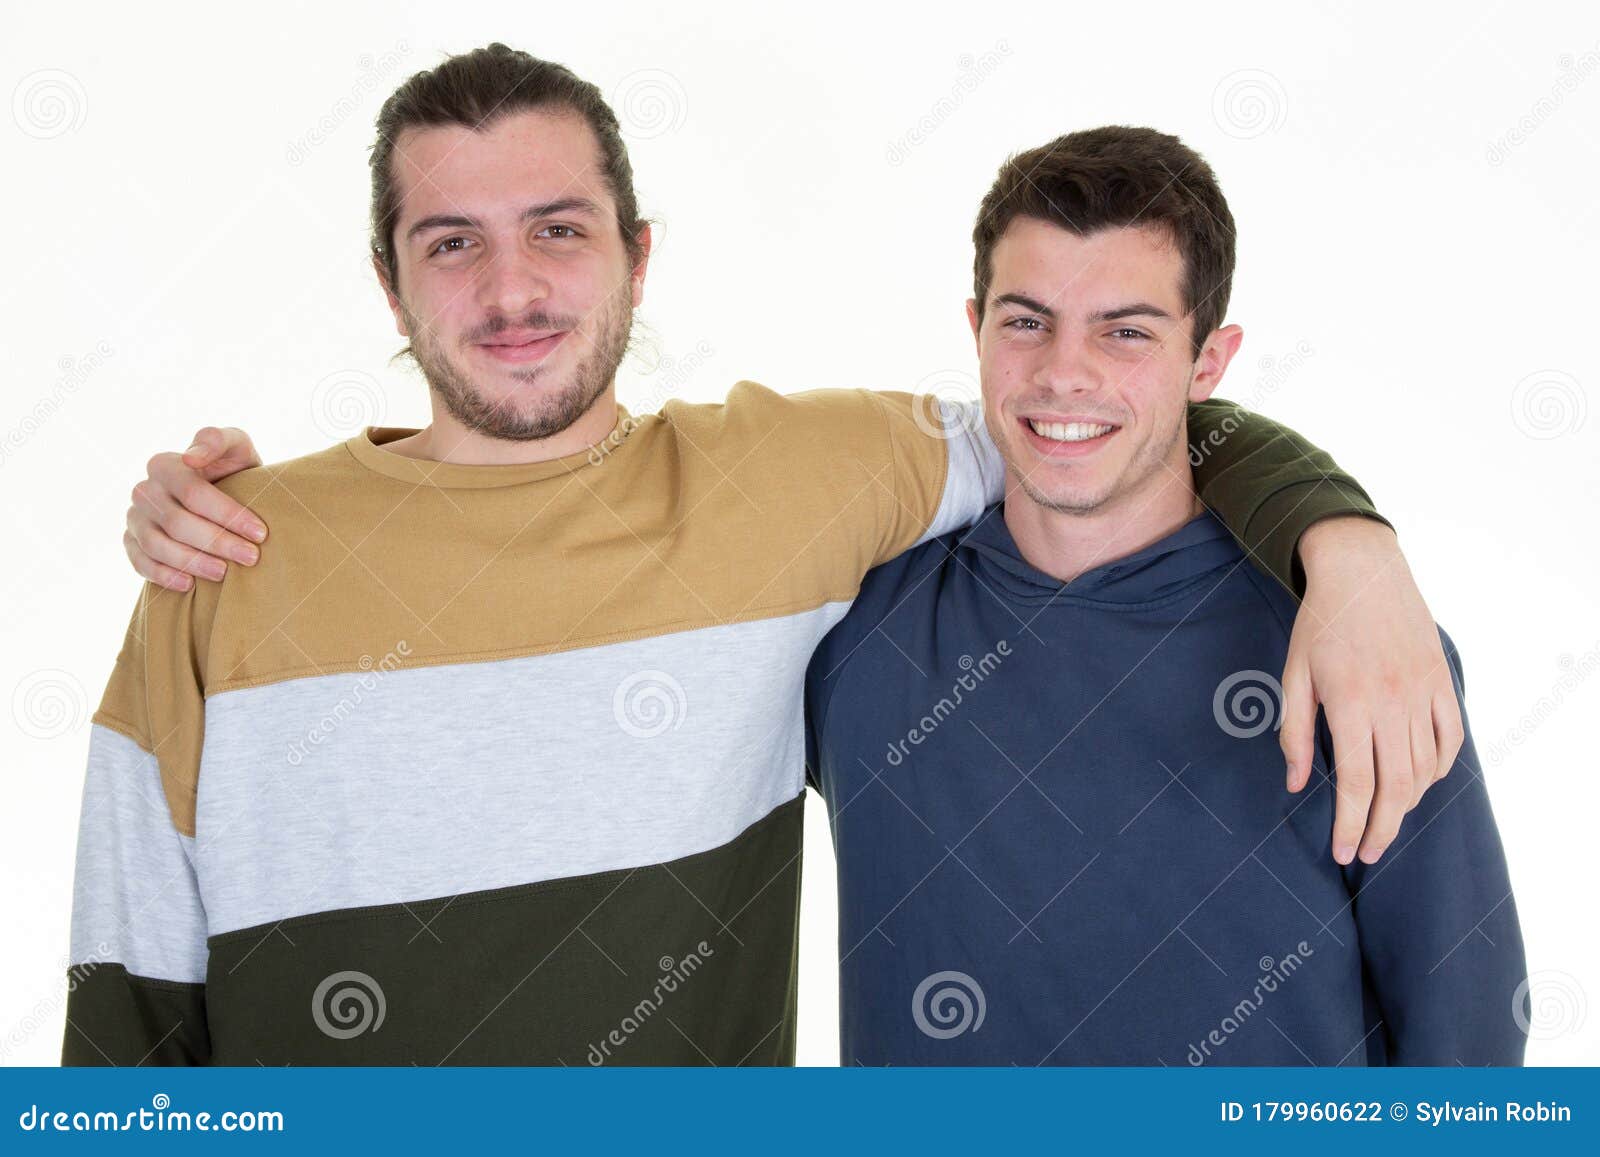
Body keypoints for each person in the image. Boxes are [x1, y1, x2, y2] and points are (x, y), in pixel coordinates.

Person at [70, 45, 1458, 1066]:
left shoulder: (800, 480)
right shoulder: (229, 552)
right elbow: (125, 999)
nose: (511, 292)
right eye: (452, 244)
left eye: (558, 230)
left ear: (638, 255)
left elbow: (1095, 417)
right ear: (388, 277)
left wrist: (1348, 545)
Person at [805, 126, 1526, 1066]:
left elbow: (1466, 1027)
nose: (1066, 372)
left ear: (1209, 362)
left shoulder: (1352, 645)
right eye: (1026, 321)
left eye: (1127, 332)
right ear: (974, 326)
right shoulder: (851, 636)